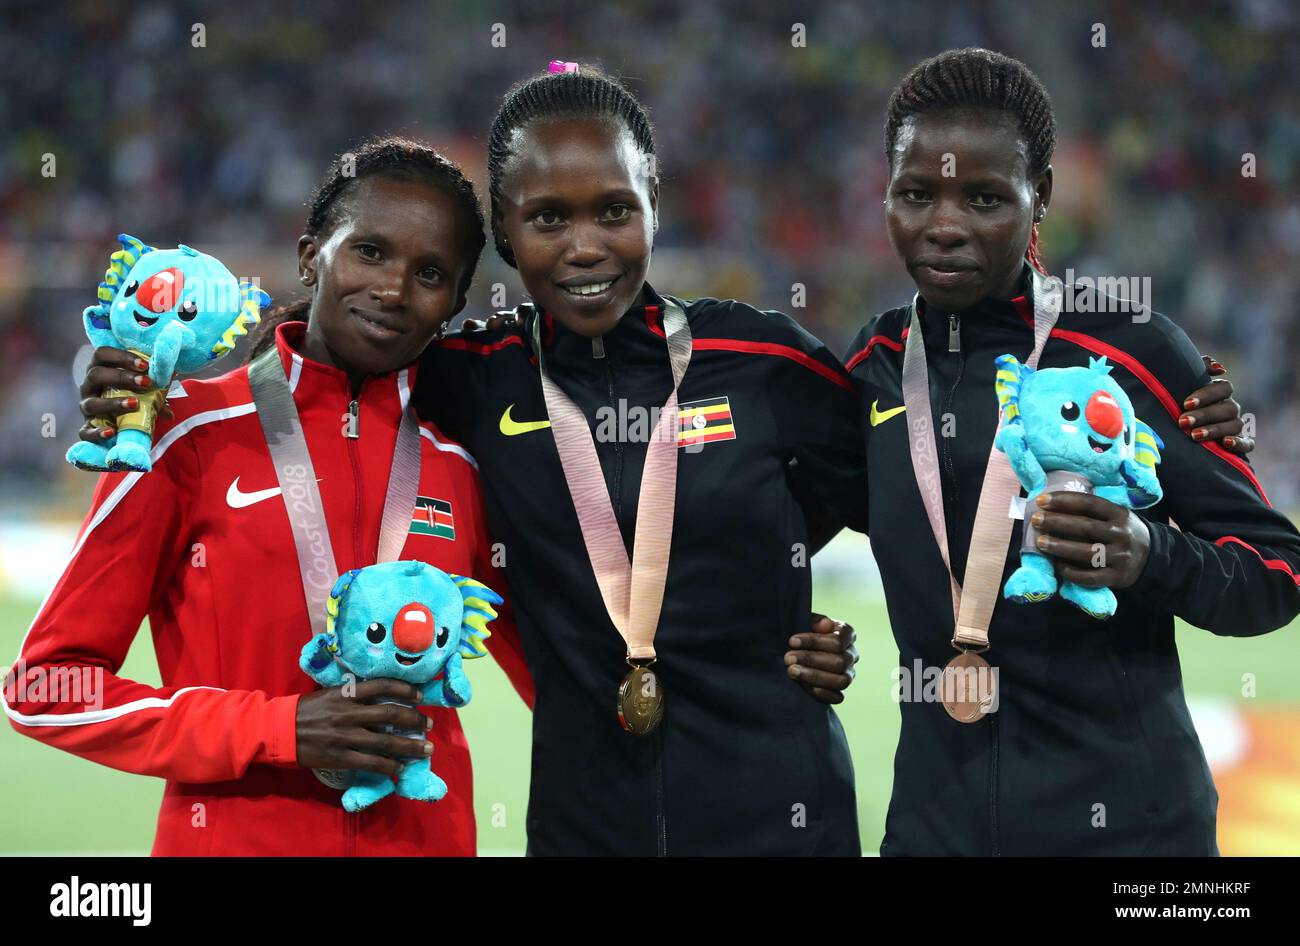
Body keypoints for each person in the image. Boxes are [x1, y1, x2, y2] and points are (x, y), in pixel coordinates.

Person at [4, 137, 535, 855]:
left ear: (453, 303)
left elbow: (559, 682)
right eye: (369, 251)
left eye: (430, 273)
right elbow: (44, 688)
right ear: (311, 256)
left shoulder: (464, 461)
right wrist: (277, 729)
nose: (393, 289)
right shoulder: (183, 434)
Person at [404, 64, 871, 855]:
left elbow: (891, 499)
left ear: (654, 200)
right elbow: (324, 375)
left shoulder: (763, 360)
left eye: (615, 210)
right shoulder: (469, 378)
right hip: (585, 828)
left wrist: (783, 574)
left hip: (783, 820)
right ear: (504, 228)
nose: (586, 247)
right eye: (549, 218)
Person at [843, 48, 1300, 855]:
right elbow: (769, 510)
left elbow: (1277, 573)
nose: (944, 225)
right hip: (931, 833)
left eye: (984, 198)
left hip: (1131, 838)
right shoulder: (871, 365)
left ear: (1042, 194)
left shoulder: (1133, 350)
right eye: (917, 194)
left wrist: (1150, 555)